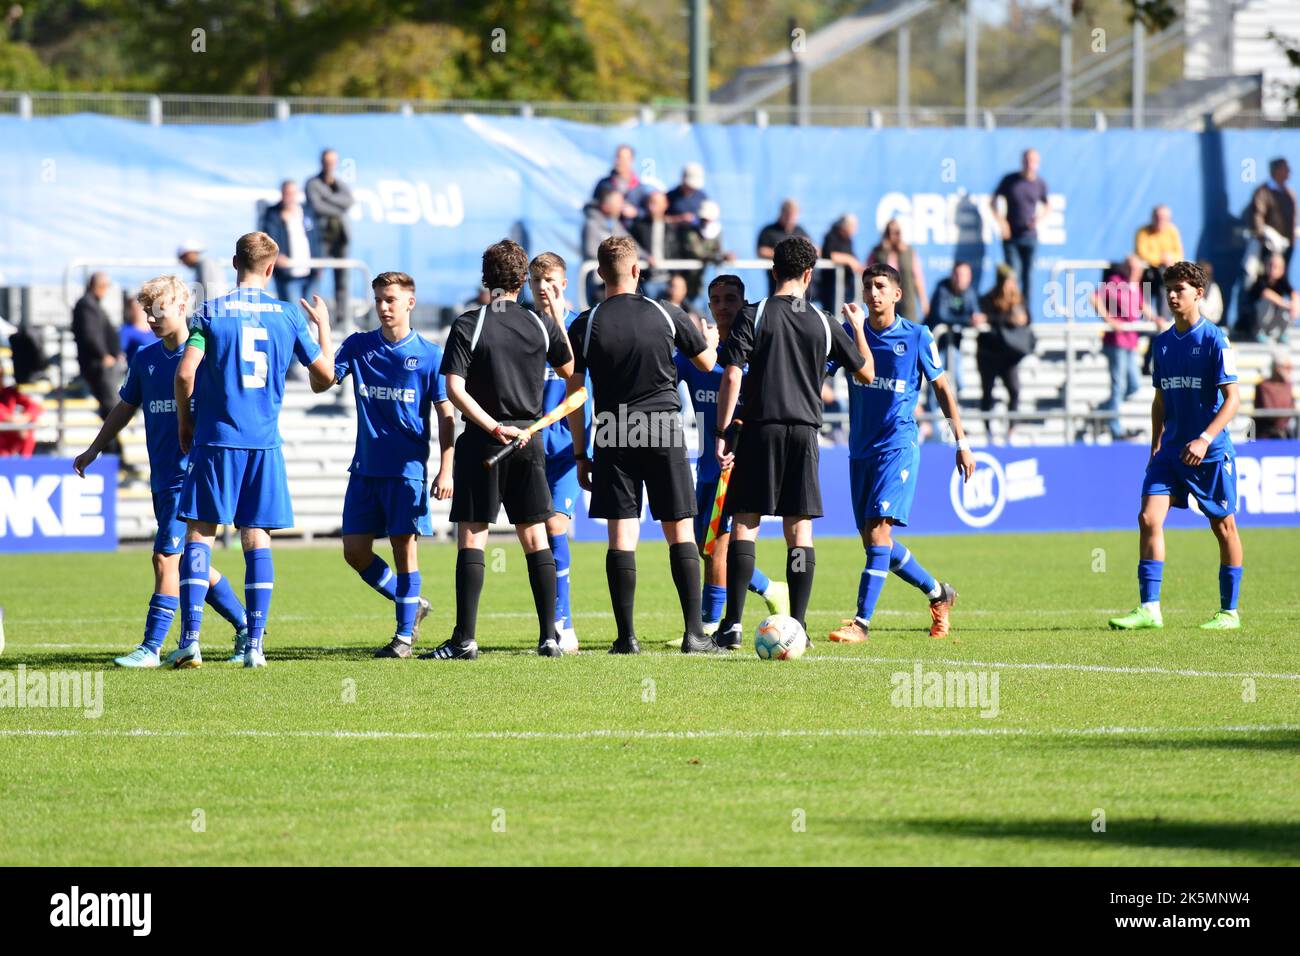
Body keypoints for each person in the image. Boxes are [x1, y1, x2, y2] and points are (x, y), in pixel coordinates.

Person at [173, 232, 335, 668]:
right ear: (272, 267)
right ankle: (255, 645)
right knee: (256, 537)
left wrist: (186, 421)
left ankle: (190, 640)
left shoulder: (210, 312)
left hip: (216, 439)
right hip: (263, 444)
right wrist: (323, 328)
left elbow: (186, 374)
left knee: (200, 534)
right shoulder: (286, 317)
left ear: (233, 263)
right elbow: (325, 378)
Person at [72, 275, 248, 667]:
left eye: (160, 309)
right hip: (163, 475)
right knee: (188, 561)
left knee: (164, 557)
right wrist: (95, 448)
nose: (152, 318)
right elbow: (124, 406)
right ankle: (246, 627)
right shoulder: (146, 359)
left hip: (195, 472)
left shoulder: (207, 355)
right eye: (147, 311)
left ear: (182, 307)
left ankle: (152, 646)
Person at [713, 236, 872, 650]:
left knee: (745, 524)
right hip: (804, 432)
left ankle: (731, 626)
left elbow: (732, 376)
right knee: (799, 531)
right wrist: (856, 327)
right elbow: (866, 373)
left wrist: (722, 431)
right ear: (808, 274)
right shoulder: (822, 320)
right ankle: (797, 627)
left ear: (773, 272)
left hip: (760, 428)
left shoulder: (757, 313)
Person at [564, 235, 719, 654]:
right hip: (664, 426)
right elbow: (707, 363)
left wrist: (581, 453)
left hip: (613, 429)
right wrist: (713, 339)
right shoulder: (666, 313)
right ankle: (694, 635)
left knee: (621, 535)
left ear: (600, 274)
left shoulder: (586, 322)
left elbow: (575, 396)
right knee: (680, 529)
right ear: (637, 270)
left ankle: (626, 638)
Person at [432, 240, 574, 660]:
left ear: (485, 279)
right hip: (528, 440)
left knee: (473, 538)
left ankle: (465, 640)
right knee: (535, 537)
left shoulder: (469, 323)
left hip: (484, 439)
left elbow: (453, 389)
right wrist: (553, 315)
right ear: (521, 280)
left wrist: (493, 426)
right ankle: (550, 637)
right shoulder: (538, 323)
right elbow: (570, 372)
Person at [825, 263, 974, 644]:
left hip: (898, 446)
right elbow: (818, 374)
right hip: (860, 449)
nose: (872, 293)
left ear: (896, 294)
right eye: (867, 287)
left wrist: (961, 441)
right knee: (876, 544)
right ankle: (939, 593)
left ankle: (860, 624)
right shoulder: (850, 334)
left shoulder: (918, 336)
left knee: (878, 536)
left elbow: (942, 390)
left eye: (880, 286)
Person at [324, 272, 453, 659]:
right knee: (355, 552)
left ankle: (403, 638)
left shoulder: (430, 356)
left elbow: (446, 416)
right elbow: (324, 381)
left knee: (404, 551)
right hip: (364, 469)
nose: (383, 306)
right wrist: (322, 332)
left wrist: (447, 468)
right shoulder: (359, 346)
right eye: (379, 299)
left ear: (410, 303)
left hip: (406, 472)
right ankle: (415, 604)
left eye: (391, 299)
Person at [1109, 261, 1243, 632]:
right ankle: (1149, 608)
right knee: (1148, 518)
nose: (1171, 295)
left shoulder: (1216, 340)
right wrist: (1155, 444)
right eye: (1168, 289)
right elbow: (1160, 401)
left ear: (1198, 293)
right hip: (1169, 451)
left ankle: (1229, 612)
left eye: (1179, 289)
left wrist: (1205, 438)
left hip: (1209, 451)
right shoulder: (1163, 343)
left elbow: (1232, 400)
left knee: (1224, 528)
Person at [673, 274, 788, 639]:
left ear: (744, 304)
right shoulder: (695, 359)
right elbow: (660, 374)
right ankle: (771, 588)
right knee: (705, 549)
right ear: (709, 307)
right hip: (707, 468)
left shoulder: (753, 358)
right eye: (717, 300)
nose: (723, 306)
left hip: (740, 467)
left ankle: (710, 625)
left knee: (718, 547)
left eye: (731, 299)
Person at [529, 251, 592, 653]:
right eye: (536, 282)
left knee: (555, 526)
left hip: (568, 445)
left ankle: (563, 621)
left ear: (564, 284)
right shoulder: (523, 326)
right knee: (536, 536)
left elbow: (574, 374)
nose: (542, 289)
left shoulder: (581, 327)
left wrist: (555, 320)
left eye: (550, 281)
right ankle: (551, 619)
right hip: (531, 446)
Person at [1090, 256, 1154, 441]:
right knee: (1119, 385)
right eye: (1132, 268)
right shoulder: (1115, 283)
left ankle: (1103, 411)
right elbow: (1094, 298)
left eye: (1137, 269)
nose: (1136, 272)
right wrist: (1110, 320)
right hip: (1116, 342)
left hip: (1130, 342)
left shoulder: (1136, 287)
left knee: (1133, 385)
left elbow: (1144, 307)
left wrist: (1157, 320)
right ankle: (1115, 428)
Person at [976, 264, 1032, 441]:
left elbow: (1026, 319)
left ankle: (1011, 429)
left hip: (1009, 355)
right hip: (989, 353)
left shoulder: (1018, 299)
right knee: (987, 391)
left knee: (1014, 390)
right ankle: (988, 430)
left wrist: (1006, 320)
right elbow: (989, 318)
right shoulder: (988, 298)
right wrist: (1007, 320)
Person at [992, 148, 1049, 322]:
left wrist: (1039, 218)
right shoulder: (1010, 181)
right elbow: (992, 201)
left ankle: (1026, 317)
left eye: (1033, 161)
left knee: (1028, 278)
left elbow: (1048, 205)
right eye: (1027, 160)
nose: (1029, 165)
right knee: (1012, 275)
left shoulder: (1040, 184)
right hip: (1012, 238)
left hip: (1030, 237)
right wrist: (1002, 222)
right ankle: (1011, 313)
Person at [72, 272, 122, 455]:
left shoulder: (93, 305)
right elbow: (90, 334)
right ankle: (114, 452)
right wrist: (103, 355)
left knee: (110, 407)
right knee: (111, 408)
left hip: (103, 364)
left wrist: (116, 353)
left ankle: (113, 450)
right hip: (97, 365)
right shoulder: (86, 305)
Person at [306, 149, 355, 320]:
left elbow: (348, 201)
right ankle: (310, 314)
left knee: (342, 279)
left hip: (340, 237)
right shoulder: (313, 183)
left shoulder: (338, 183)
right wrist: (337, 207)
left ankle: (342, 316)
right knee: (316, 275)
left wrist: (327, 198)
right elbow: (317, 207)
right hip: (322, 237)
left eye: (333, 162)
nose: (330, 166)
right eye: (327, 162)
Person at [926, 260, 985, 397]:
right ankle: (932, 413)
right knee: (935, 377)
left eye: (965, 275)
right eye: (958, 274)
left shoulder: (970, 293)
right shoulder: (942, 288)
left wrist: (975, 319)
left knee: (958, 378)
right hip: (937, 342)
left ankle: (955, 409)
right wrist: (967, 320)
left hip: (955, 341)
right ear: (952, 275)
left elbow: (974, 314)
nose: (961, 279)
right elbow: (942, 315)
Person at [259, 180, 319, 306]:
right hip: (287, 273)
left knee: (310, 310)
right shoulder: (273, 214)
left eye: (292, 193)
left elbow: (316, 237)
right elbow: (268, 238)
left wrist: (319, 261)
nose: (289, 197)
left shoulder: (307, 212)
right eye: (287, 193)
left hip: (309, 270)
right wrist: (277, 256)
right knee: (293, 311)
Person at [582, 182, 636, 305]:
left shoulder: (615, 224)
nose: (621, 207)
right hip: (598, 284)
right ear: (606, 205)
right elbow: (590, 251)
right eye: (618, 203)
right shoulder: (591, 224)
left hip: (616, 279)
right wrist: (614, 260)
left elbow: (631, 243)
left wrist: (646, 256)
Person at [867, 219, 927, 323]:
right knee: (884, 325)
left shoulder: (909, 252)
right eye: (889, 232)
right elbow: (867, 273)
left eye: (896, 232)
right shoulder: (878, 252)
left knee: (908, 327)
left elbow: (918, 277)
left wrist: (923, 301)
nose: (892, 235)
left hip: (906, 298)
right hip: (884, 297)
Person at [1248, 158, 1296, 275]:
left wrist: (1291, 240)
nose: (1289, 171)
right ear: (1276, 171)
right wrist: (1264, 238)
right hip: (1266, 248)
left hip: (1286, 248)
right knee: (1261, 276)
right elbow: (1258, 215)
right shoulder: (1263, 192)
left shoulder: (1290, 194)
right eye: (1285, 169)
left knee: (1281, 277)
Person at [756, 199, 814, 296]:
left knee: (798, 308)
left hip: (799, 282)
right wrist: (787, 254)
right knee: (776, 307)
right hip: (778, 281)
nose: (791, 218)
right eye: (788, 214)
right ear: (782, 213)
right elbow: (762, 251)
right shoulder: (769, 231)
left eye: (794, 215)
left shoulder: (800, 231)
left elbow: (812, 248)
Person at [629, 190, 680, 300]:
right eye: (650, 202)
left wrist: (676, 276)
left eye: (655, 203)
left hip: (668, 281)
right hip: (646, 280)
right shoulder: (638, 226)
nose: (651, 207)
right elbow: (632, 248)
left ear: (665, 205)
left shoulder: (672, 228)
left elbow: (677, 252)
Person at [1247, 253, 1299, 343]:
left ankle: (1281, 333)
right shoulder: (1261, 280)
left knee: (1289, 307)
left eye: (1276, 267)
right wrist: (1286, 304)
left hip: (1273, 322)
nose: (1272, 269)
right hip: (1256, 321)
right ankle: (1259, 332)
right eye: (1270, 265)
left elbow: (1293, 293)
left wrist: (1295, 305)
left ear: (1282, 269)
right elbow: (1266, 293)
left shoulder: (1282, 281)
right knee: (1267, 303)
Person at [818, 213, 862, 311]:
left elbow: (854, 259)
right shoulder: (831, 236)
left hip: (847, 285)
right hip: (832, 286)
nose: (855, 230)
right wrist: (849, 260)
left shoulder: (849, 240)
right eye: (853, 227)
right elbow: (830, 255)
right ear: (845, 226)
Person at [592, 144, 648, 222]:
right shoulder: (604, 184)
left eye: (622, 158)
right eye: (617, 157)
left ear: (631, 160)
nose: (618, 161)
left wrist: (635, 213)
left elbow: (648, 214)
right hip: (607, 231)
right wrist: (605, 208)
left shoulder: (640, 189)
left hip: (631, 232)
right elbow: (591, 208)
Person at [1252, 350, 1297, 440]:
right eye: (1287, 367)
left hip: (1285, 435)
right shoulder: (1263, 386)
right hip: (1266, 436)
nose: (1290, 371)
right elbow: (1271, 413)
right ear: (1277, 368)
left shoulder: (1288, 386)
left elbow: (1292, 409)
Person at [0, 373, 41, 457]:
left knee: (28, 429)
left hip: (11, 432)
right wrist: (15, 422)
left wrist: (26, 417)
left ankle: (25, 464)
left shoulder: (9, 392)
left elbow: (34, 407)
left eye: (1, 376)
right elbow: (5, 416)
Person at [120, 294, 154, 364]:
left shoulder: (156, 328)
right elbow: (119, 355)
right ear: (130, 311)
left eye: (141, 307)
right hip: (137, 372)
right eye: (136, 308)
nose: (140, 310)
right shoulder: (126, 331)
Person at [1198, 260, 1224, 325]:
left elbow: (1215, 315)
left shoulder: (1213, 288)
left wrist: (1199, 301)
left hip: (1208, 324)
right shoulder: (1190, 288)